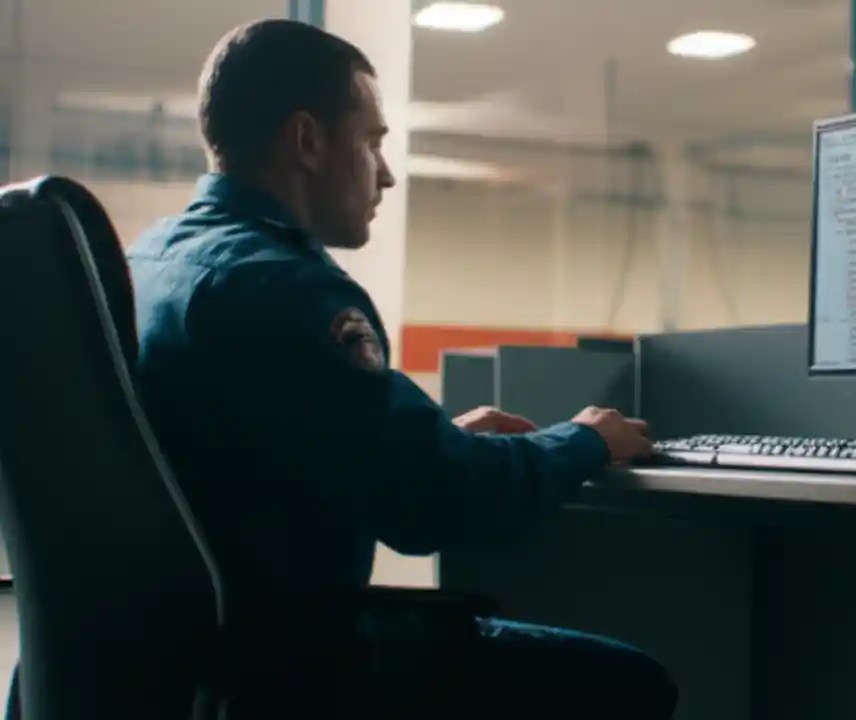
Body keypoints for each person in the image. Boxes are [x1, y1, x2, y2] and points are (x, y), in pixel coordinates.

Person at [126, 18, 675, 719]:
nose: (384, 172)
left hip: (180, 663)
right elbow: (433, 506)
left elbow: (281, 449)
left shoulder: (151, 262)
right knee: (629, 685)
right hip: (290, 672)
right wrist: (585, 439)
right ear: (308, 140)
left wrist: (440, 439)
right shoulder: (282, 287)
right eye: (373, 141)